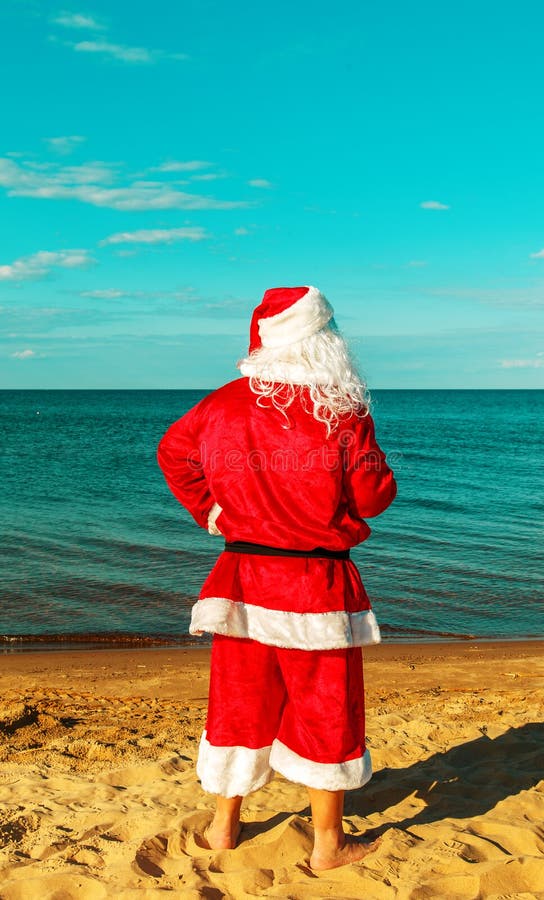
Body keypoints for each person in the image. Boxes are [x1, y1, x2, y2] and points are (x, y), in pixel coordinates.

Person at [157, 285, 396, 870]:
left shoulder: (223, 403)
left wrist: (213, 509)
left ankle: (223, 828)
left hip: (241, 577)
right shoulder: (343, 408)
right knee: (326, 707)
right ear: (324, 342)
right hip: (316, 583)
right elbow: (373, 497)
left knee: (238, 702)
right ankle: (328, 844)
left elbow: (173, 452)